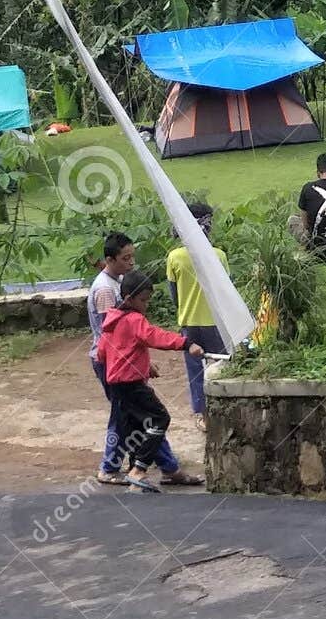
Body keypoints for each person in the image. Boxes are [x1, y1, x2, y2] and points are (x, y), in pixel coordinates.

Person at [87, 232, 199, 487]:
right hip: (124, 374)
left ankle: (162, 468)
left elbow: (109, 342)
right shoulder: (109, 293)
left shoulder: (119, 302)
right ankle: (130, 469)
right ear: (109, 259)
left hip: (120, 371)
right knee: (150, 420)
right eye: (125, 258)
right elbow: (150, 336)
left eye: (132, 257)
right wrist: (185, 343)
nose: (131, 263)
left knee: (137, 421)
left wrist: (138, 363)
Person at [166, 201, 228, 430]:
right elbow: (225, 291)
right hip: (216, 322)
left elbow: (174, 295)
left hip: (189, 322)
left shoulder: (175, 257)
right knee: (223, 366)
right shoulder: (219, 256)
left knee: (195, 372)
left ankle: (202, 414)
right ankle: (223, 407)